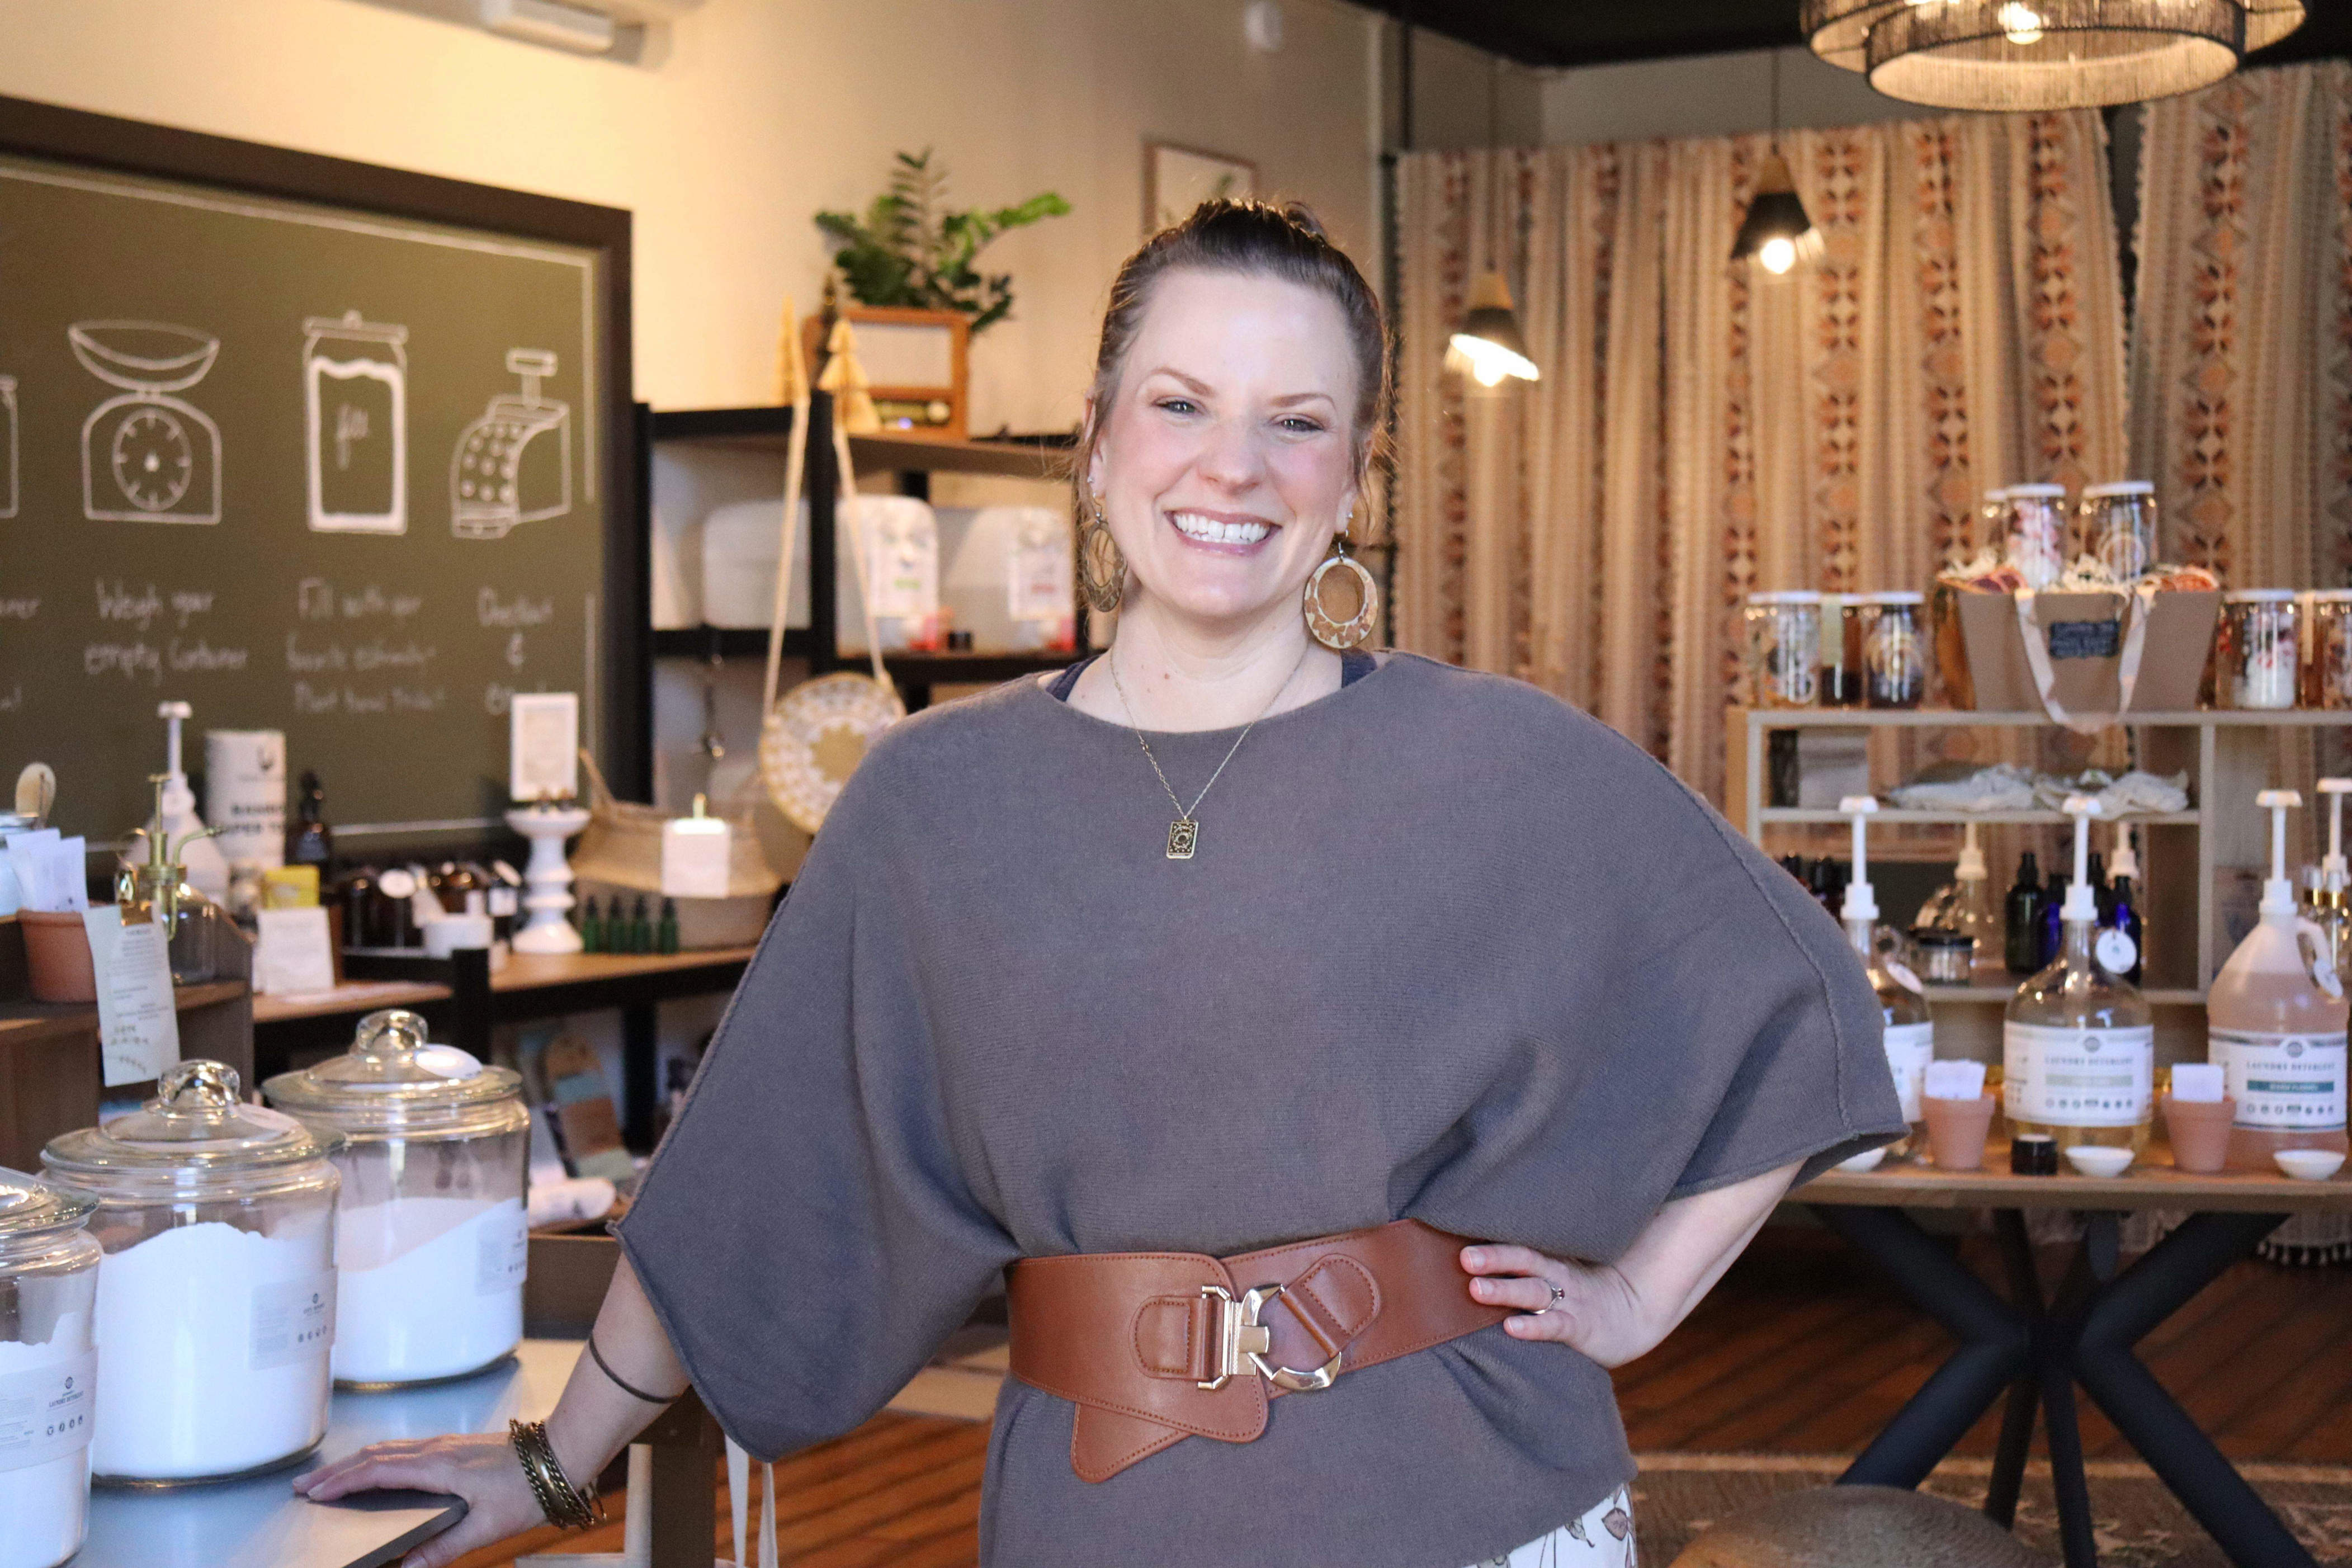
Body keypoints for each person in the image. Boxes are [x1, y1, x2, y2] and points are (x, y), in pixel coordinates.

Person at [299, 200, 1902, 1568]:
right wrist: (552, 1464)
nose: (1237, 466)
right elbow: (764, 1169)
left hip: (1477, 1503)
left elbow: (1796, 1000)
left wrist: (1637, 1296)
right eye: (1182, 402)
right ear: (1097, 437)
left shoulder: (1502, 760)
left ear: (1358, 474)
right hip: (1097, 1516)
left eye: (1299, 420)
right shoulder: (936, 796)